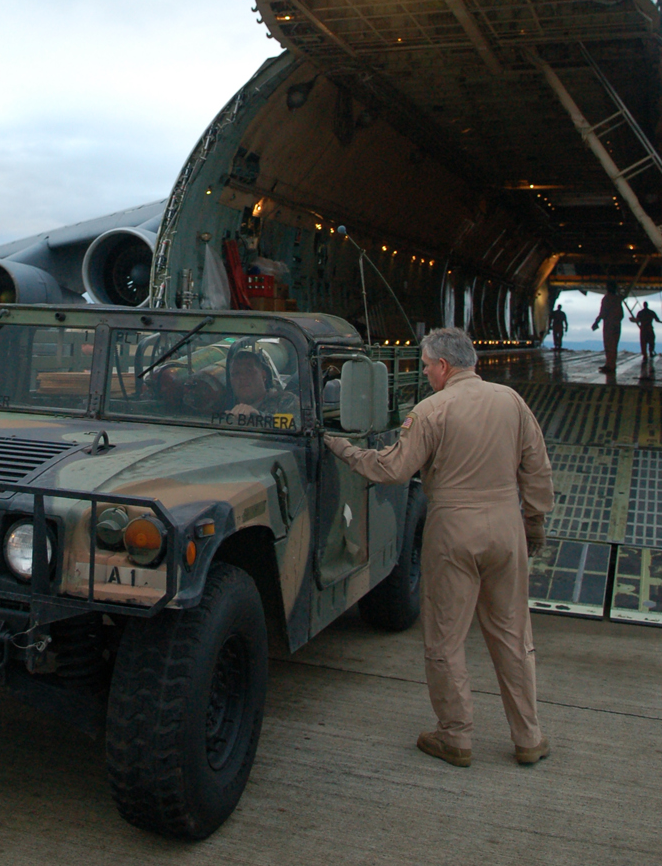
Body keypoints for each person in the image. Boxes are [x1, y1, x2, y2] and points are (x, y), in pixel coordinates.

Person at [324, 326, 553, 769]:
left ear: (444, 366)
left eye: (427, 366)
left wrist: (344, 449)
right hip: (506, 526)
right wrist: (534, 525)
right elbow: (537, 470)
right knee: (512, 635)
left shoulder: (431, 410)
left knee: (446, 638)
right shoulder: (511, 401)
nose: (426, 373)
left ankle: (455, 736)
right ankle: (528, 737)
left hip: (453, 529)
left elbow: (393, 470)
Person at [224, 347, 300, 429]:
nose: (242, 377)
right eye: (236, 373)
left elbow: (295, 424)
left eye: (249, 371)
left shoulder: (285, 400)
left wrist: (258, 417)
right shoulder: (222, 405)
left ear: (263, 375)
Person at [591, 282, 624, 372]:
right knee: (614, 345)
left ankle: (610, 365)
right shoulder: (618, 299)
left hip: (609, 324)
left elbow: (603, 312)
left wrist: (596, 322)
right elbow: (621, 314)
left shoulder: (606, 299)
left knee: (609, 345)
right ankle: (611, 364)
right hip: (617, 324)